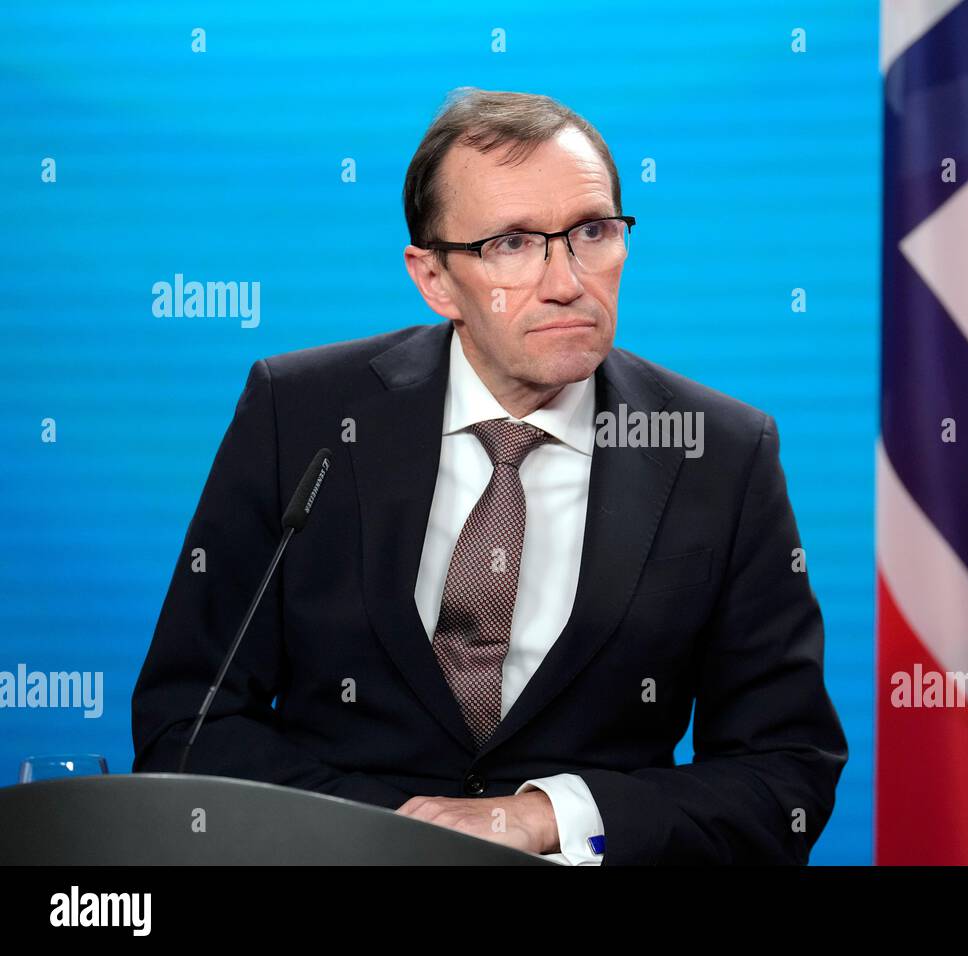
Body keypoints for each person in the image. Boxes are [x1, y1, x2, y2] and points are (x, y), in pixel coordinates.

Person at [132, 86, 848, 865]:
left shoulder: (722, 452)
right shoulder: (299, 416)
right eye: (512, 243)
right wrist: (397, 833)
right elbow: (188, 723)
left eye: (593, 232)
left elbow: (786, 776)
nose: (567, 280)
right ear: (434, 279)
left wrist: (545, 817)